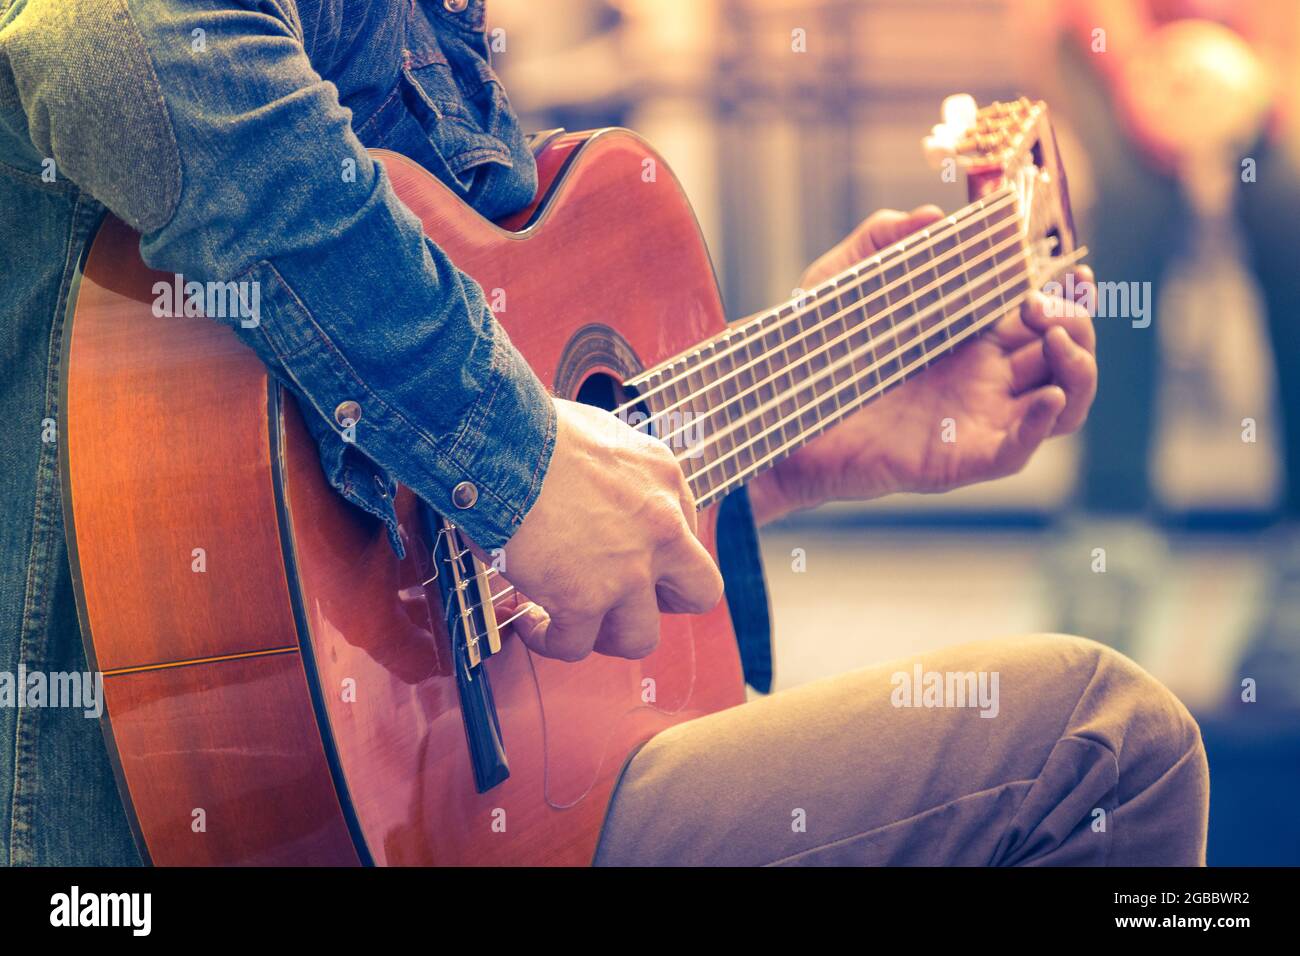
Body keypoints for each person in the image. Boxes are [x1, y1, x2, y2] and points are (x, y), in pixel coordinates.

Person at [0, 0, 1207, 866]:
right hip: (195, 810)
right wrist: (517, 465)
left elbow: (452, 523)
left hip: (464, 792)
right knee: (1104, 747)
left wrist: (788, 442)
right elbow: (105, 39)